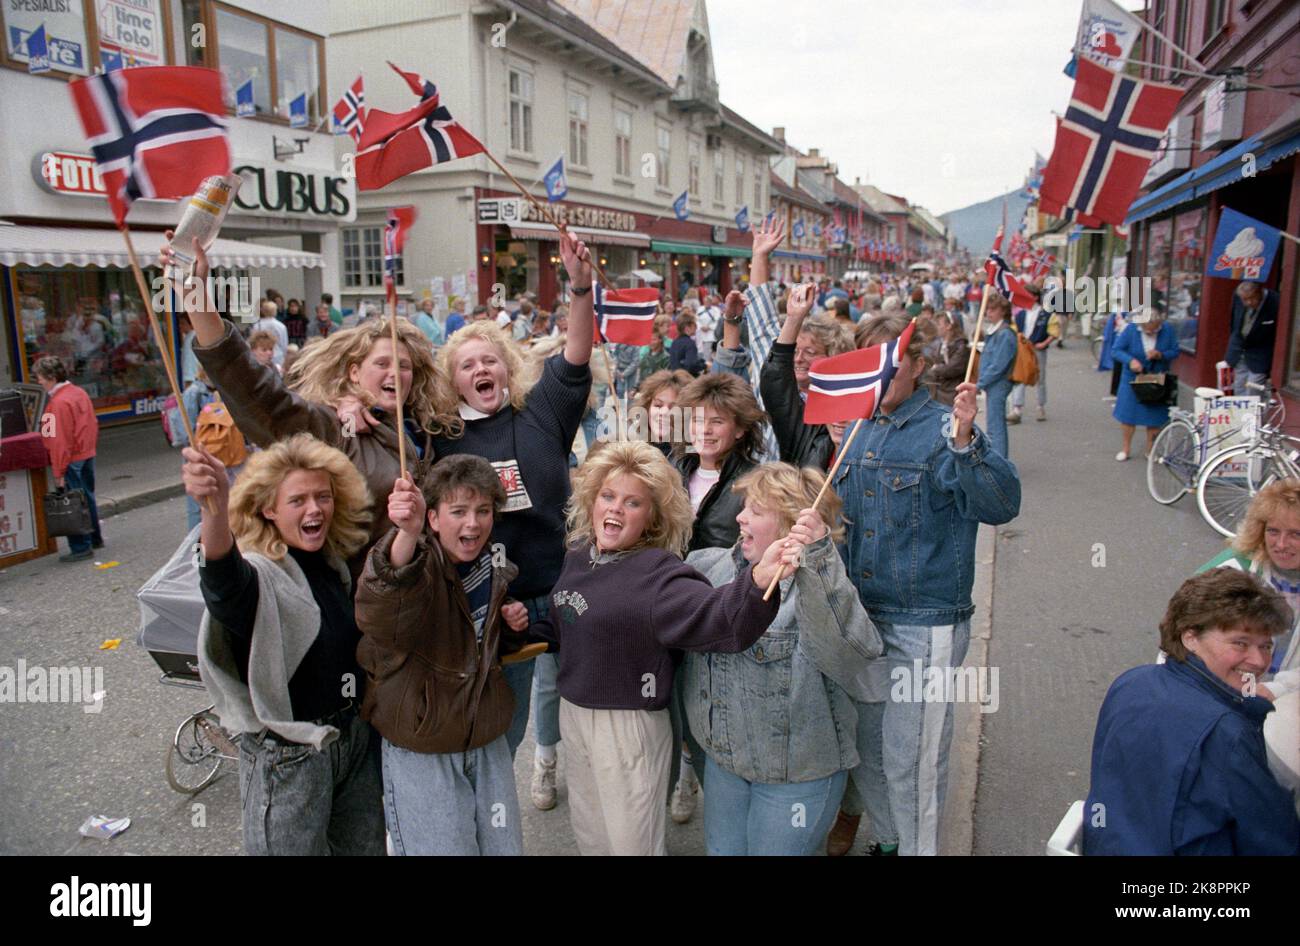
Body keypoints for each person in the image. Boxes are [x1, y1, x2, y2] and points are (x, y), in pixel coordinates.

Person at [382, 233, 594, 783]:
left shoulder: (541, 411)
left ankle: (604, 784)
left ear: (507, 368)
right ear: (453, 381)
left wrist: (580, 287)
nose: (482, 369)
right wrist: (350, 410)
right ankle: (524, 779)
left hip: (568, 583)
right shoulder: (441, 436)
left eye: (491, 360)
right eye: (467, 364)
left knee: (596, 700)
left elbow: (575, 353)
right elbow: (383, 411)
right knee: (509, 720)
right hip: (500, 601)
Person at [519, 441, 795, 855]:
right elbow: (568, 623)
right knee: (592, 839)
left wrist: (757, 582)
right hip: (574, 715)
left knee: (634, 848)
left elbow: (719, 617)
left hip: (628, 726)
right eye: (608, 496)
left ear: (651, 518)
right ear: (592, 500)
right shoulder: (579, 556)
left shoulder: (660, 576)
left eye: (632, 503)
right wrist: (523, 627)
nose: (614, 509)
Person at [832, 311, 1021, 856]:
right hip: (864, 619)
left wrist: (967, 443)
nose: (883, 372)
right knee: (867, 747)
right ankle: (892, 841)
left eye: (894, 361)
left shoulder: (946, 429)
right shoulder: (858, 425)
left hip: (925, 623)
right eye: (872, 361)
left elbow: (1001, 505)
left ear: (917, 364)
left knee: (912, 760)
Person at [163, 233, 439, 578]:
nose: (395, 374)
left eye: (404, 365)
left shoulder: (427, 427)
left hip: (429, 594)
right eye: (382, 364)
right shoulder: (331, 428)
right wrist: (198, 300)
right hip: (363, 603)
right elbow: (262, 398)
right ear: (353, 373)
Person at [188, 433, 385, 856]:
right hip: (289, 760)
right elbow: (220, 581)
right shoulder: (259, 573)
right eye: (298, 500)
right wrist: (214, 509)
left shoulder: (332, 563)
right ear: (268, 508)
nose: (315, 509)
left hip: (350, 741)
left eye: (323, 497)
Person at [685, 463, 885, 855]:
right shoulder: (708, 568)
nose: (740, 516)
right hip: (725, 766)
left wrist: (820, 560)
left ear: (793, 523)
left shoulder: (819, 589)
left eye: (756, 511)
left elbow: (852, 655)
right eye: (744, 507)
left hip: (797, 778)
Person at [354, 456, 528, 855]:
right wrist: (406, 535)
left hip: (484, 742)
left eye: (483, 511)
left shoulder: (491, 566)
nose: (473, 523)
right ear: (432, 518)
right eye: (458, 511)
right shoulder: (417, 562)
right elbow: (383, 614)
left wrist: (510, 626)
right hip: (424, 750)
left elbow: (475, 647)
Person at [1084, 569, 1300, 855]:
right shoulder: (1227, 731)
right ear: (1190, 638)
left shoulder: (1132, 681)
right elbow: (1272, 841)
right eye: (1240, 643)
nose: (1259, 660)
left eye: (1266, 646)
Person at [1195, 479, 1300, 701]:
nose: (1281, 544)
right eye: (1273, 531)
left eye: (1295, 534)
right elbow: (1181, 633)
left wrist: (1276, 689)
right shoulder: (1233, 569)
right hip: (1219, 692)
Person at [34, 356, 103, 562]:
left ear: (51, 377)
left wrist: (58, 472)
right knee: (86, 497)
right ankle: (94, 537)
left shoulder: (58, 403)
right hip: (86, 453)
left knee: (72, 503)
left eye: (40, 377)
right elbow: (91, 423)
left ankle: (81, 546)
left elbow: (58, 441)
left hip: (71, 457)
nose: (38, 382)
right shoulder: (78, 393)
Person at [1112, 308, 1179, 461]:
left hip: (1157, 377)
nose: (1152, 332)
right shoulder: (1130, 329)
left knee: (1154, 416)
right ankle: (1125, 449)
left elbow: (1175, 351)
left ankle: (1150, 450)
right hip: (1133, 378)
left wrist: (1160, 354)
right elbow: (1116, 350)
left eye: (1155, 329)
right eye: (1148, 331)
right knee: (1128, 416)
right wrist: (1131, 361)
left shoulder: (1167, 329)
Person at [974, 293, 1017, 459]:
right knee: (994, 423)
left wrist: (980, 383)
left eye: (993, 310)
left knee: (996, 425)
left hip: (999, 383)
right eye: (988, 310)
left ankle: (1000, 459)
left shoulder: (1004, 333)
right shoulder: (996, 331)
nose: (988, 313)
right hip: (993, 383)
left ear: (1002, 311)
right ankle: (998, 457)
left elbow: (999, 364)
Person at [1223, 281, 1278, 392]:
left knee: (1254, 390)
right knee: (1238, 388)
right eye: (1245, 299)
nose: (1248, 302)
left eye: (1252, 298)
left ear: (1260, 293)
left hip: (1260, 354)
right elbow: (1234, 321)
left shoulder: (1275, 301)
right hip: (1239, 350)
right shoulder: (1238, 297)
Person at [1009, 283, 1052, 423]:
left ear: (1034, 297)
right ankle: (1017, 408)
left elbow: (1054, 330)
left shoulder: (1045, 313)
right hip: (1023, 349)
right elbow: (1014, 329)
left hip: (1038, 349)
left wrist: (1044, 343)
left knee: (1040, 378)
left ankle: (1040, 406)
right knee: (1020, 376)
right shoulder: (1020, 313)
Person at [635, 369, 693, 458]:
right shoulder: (633, 448)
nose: (664, 412)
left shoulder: (694, 455)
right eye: (658, 405)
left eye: (674, 408)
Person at [923, 311, 971, 407]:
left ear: (949, 326)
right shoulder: (941, 344)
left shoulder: (961, 345)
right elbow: (931, 362)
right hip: (939, 390)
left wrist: (936, 368)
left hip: (953, 391)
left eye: (939, 324)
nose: (936, 327)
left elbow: (952, 368)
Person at [251, 300, 289, 369]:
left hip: (261, 355)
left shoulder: (257, 325)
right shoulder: (281, 326)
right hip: (278, 355)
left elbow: (253, 342)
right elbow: (284, 344)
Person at [668, 311, 704, 376]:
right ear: (687, 328)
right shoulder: (690, 344)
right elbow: (691, 365)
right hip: (686, 380)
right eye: (694, 325)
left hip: (674, 378)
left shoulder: (675, 342)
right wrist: (704, 366)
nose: (696, 327)